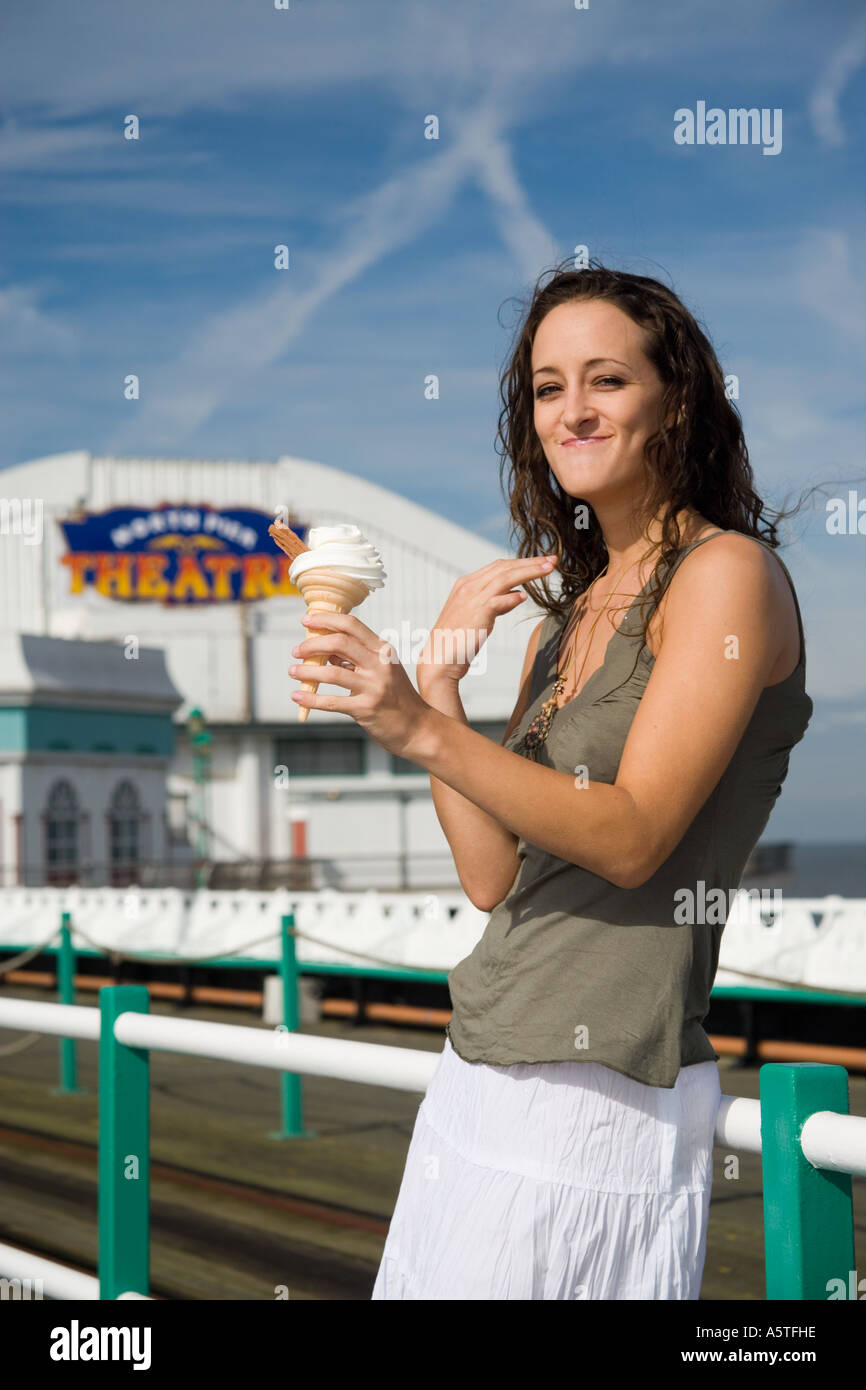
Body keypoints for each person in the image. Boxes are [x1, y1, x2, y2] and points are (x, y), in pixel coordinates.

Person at [287, 261, 814, 1299]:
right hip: (474, 1070)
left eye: (605, 380)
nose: (570, 409)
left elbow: (628, 837)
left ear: (676, 400)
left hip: (601, 1096)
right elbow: (491, 877)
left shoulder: (724, 577)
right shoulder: (560, 618)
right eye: (544, 387)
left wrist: (415, 728)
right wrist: (433, 686)